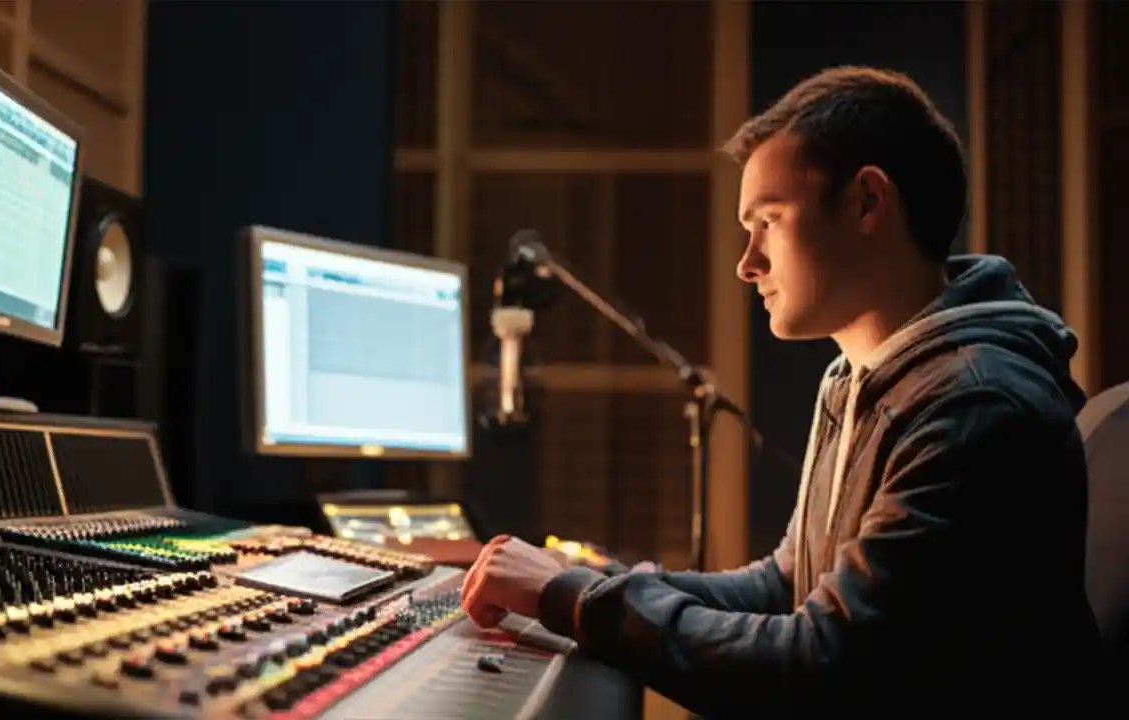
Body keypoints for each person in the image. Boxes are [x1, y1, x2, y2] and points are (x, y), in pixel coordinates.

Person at [460, 66, 1104, 716]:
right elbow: (785, 584)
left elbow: (824, 666)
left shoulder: (975, 405)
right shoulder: (863, 378)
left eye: (768, 220)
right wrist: (596, 585)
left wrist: (576, 598)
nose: (747, 262)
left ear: (866, 203)